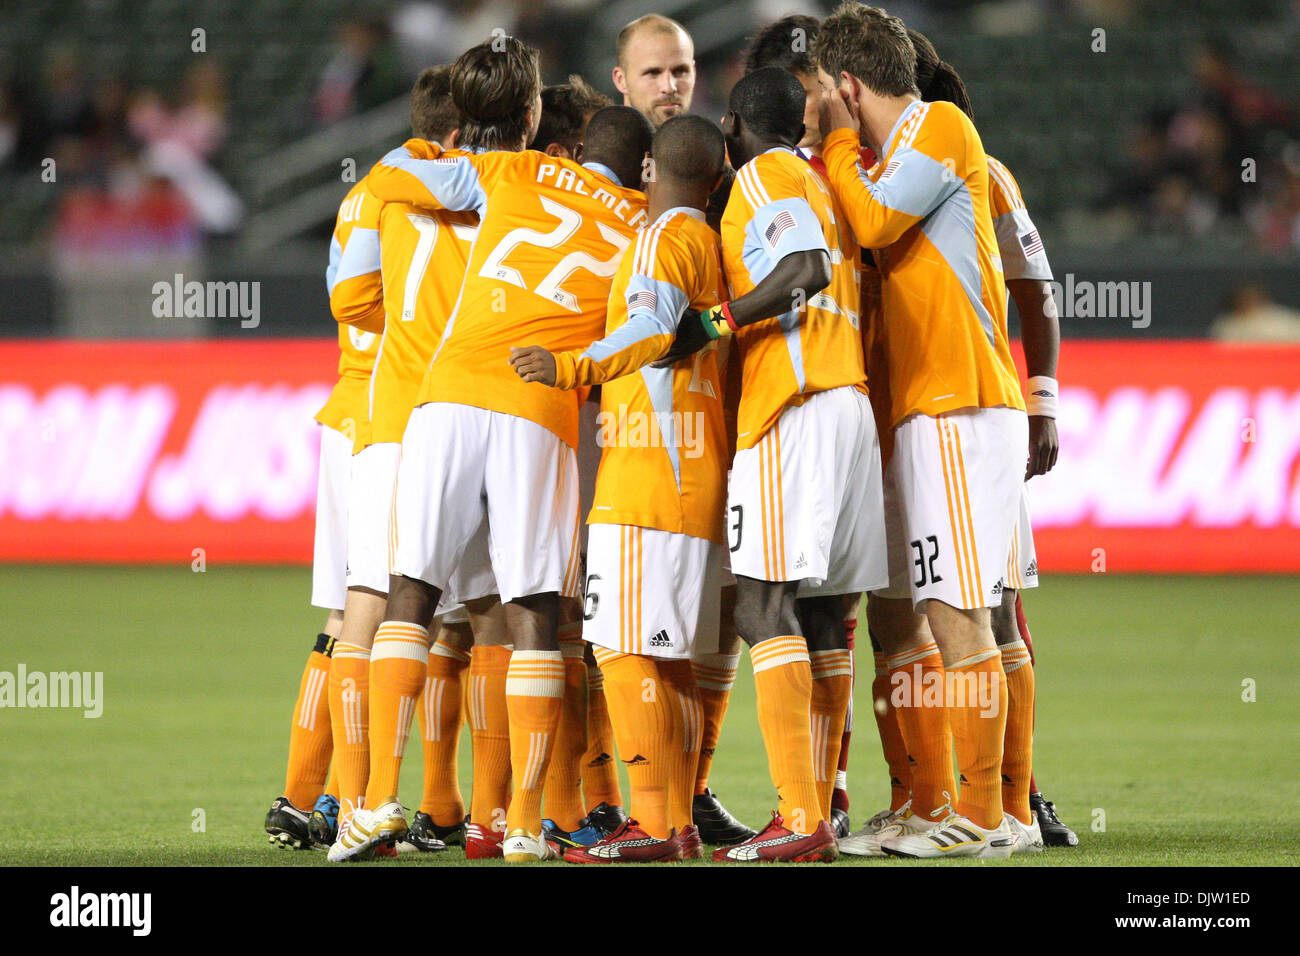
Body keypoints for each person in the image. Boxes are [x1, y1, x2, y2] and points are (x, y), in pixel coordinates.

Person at [360, 62, 655, 861]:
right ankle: (524, 821)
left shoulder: (517, 170)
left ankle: (379, 801)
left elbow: (398, 173)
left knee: (412, 589)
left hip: (451, 393)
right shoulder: (640, 220)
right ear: (642, 167)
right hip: (542, 409)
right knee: (535, 611)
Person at [815, 2, 1027, 858]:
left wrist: (831, 142)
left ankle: (985, 816)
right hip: (928, 410)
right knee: (932, 611)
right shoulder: (891, 156)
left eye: (832, 95)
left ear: (849, 83)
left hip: (962, 401)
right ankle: (957, 807)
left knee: (958, 610)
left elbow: (870, 224)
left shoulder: (939, 127)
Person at [663, 66, 887, 863]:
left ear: (732, 127)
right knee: (822, 617)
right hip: (847, 399)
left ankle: (798, 816)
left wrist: (711, 324)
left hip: (795, 404)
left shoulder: (763, 175)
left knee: (760, 604)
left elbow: (803, 274)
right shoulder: (821, 182)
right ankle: (819, 808)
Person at [510, 113, 731, 863]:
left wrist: (573, 366)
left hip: (647, 475)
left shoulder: (660, 239)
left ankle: (651, 824)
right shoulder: (712, 243)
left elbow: (652, 330)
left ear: (645, 173)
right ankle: (677, 826)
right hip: (697, 473)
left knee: (623, 655)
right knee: (669, 665)